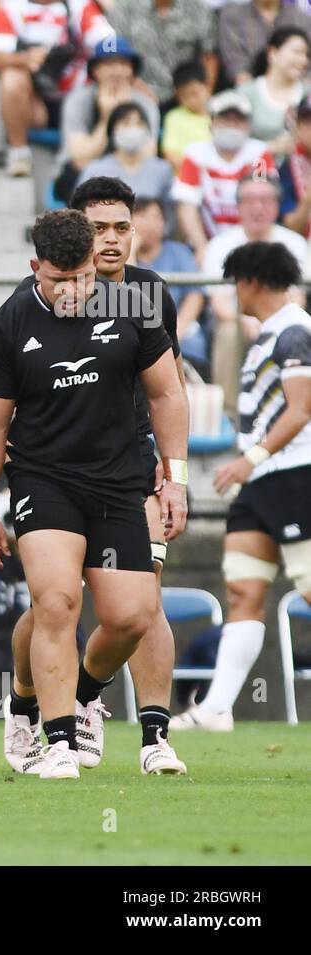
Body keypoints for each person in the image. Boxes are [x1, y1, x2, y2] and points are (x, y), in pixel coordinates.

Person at [0, 209, 188, 780]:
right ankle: (57, 738)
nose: (73, 291)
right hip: (45, 481)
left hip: (119, 481)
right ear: (34, 267)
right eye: (58, 280)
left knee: (131, 616)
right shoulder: (9, 322)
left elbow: (166, 395)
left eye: (83, 278)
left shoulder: (132, 309)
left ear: (97, 265)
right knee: (58, 601)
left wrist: (177, 478)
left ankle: (80, 689)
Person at [171, 242, 311, 731]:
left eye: (236, 282)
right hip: (263, 481)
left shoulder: (294, 330)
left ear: (250, 281)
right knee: (243, 590)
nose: (235, 293)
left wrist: (249, 458)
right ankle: (216, 707)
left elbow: (301, 408)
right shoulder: (273, 332)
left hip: (295, 473)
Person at [203, 173, 307, 410]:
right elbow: (220, 305)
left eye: (265, 200)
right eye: (249, 200)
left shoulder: (295, 244)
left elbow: (297, 299)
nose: (257, 207)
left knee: (297, 334)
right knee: (230, 332)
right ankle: (228, 413)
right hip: (236, 320)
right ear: (238, 206)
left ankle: (294, 409)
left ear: (277, 205)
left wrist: (273, 324)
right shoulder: (219, 246)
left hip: (283, 321)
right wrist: (246, 321)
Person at [0, 0, 115, 177]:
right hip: (36, 104)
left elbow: (108, 42)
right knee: (11, 77)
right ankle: (19, 153)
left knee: (115, 68)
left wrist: (114, 65)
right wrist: (26, 59)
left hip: (78, 99)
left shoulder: (80, 5)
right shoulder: (12, 6)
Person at [173, 90, 276, 258]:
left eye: (238, 120)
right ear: (211, 124)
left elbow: (263, 200)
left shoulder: (259, 153)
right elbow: (187, 206)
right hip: (208, 242)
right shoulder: (195, 154)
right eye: (225, 120)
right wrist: (202, 248)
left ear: (248, 126)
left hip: (251, 243)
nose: (231, 125)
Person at [57, 38, 159, 200]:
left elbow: (147, 156)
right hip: (85, 177)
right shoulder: (78, 101)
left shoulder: (145, 104)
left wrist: (126, 116)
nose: (117, 71)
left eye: (123, 64)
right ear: (95, 71)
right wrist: (107, 117)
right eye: (109, 64)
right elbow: (80, 159)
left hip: (131, 174)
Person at [131, 197, 206, 364]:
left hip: (181, 338)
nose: (150, 223)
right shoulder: (122, 258)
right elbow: (125, 294)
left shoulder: (178, 252)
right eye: (142, 215)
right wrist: (131, 250)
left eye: (156, 217)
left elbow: (195, 296)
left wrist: (174, 334)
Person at [76, 103, 175, 224]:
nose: (133, 129)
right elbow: (81, 213)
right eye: (125, 123)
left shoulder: (162, 169)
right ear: (113, 130)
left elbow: (170, 215)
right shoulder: (95, 170)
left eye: (139, 123)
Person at [105, 0, 217, 105]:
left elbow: (209, 55)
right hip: (136, 93)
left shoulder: (197, 9)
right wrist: (134, 83)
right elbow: (112, 54)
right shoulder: (126, 7)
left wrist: (205, 91)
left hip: (185, 96)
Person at [236, 26, 309, 153]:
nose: (303, 60)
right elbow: (232, 144)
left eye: (306, 55)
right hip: (258, 170)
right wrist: (269, 148)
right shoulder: (246, 93)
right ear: (273, 53)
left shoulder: (308, 93)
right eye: (297, 52)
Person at [218, 0, 311, 89]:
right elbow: (238, 68)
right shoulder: (232, 17)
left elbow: (308, 71)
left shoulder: (301, 19)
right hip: (247, 95)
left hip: (298, 94)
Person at [161, 61, 214, 173]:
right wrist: (197, 172)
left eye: (195, 93)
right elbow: (170, 155)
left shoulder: (219, 115)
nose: (191, 100)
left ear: (207, 86)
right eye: (185, 96)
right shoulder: (174, 118)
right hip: (184, 179)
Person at [280, 94, 311, 237]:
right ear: (297, 126)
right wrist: (308, 199)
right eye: (308, 120)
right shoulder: (284, 165)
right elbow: (290, 228)